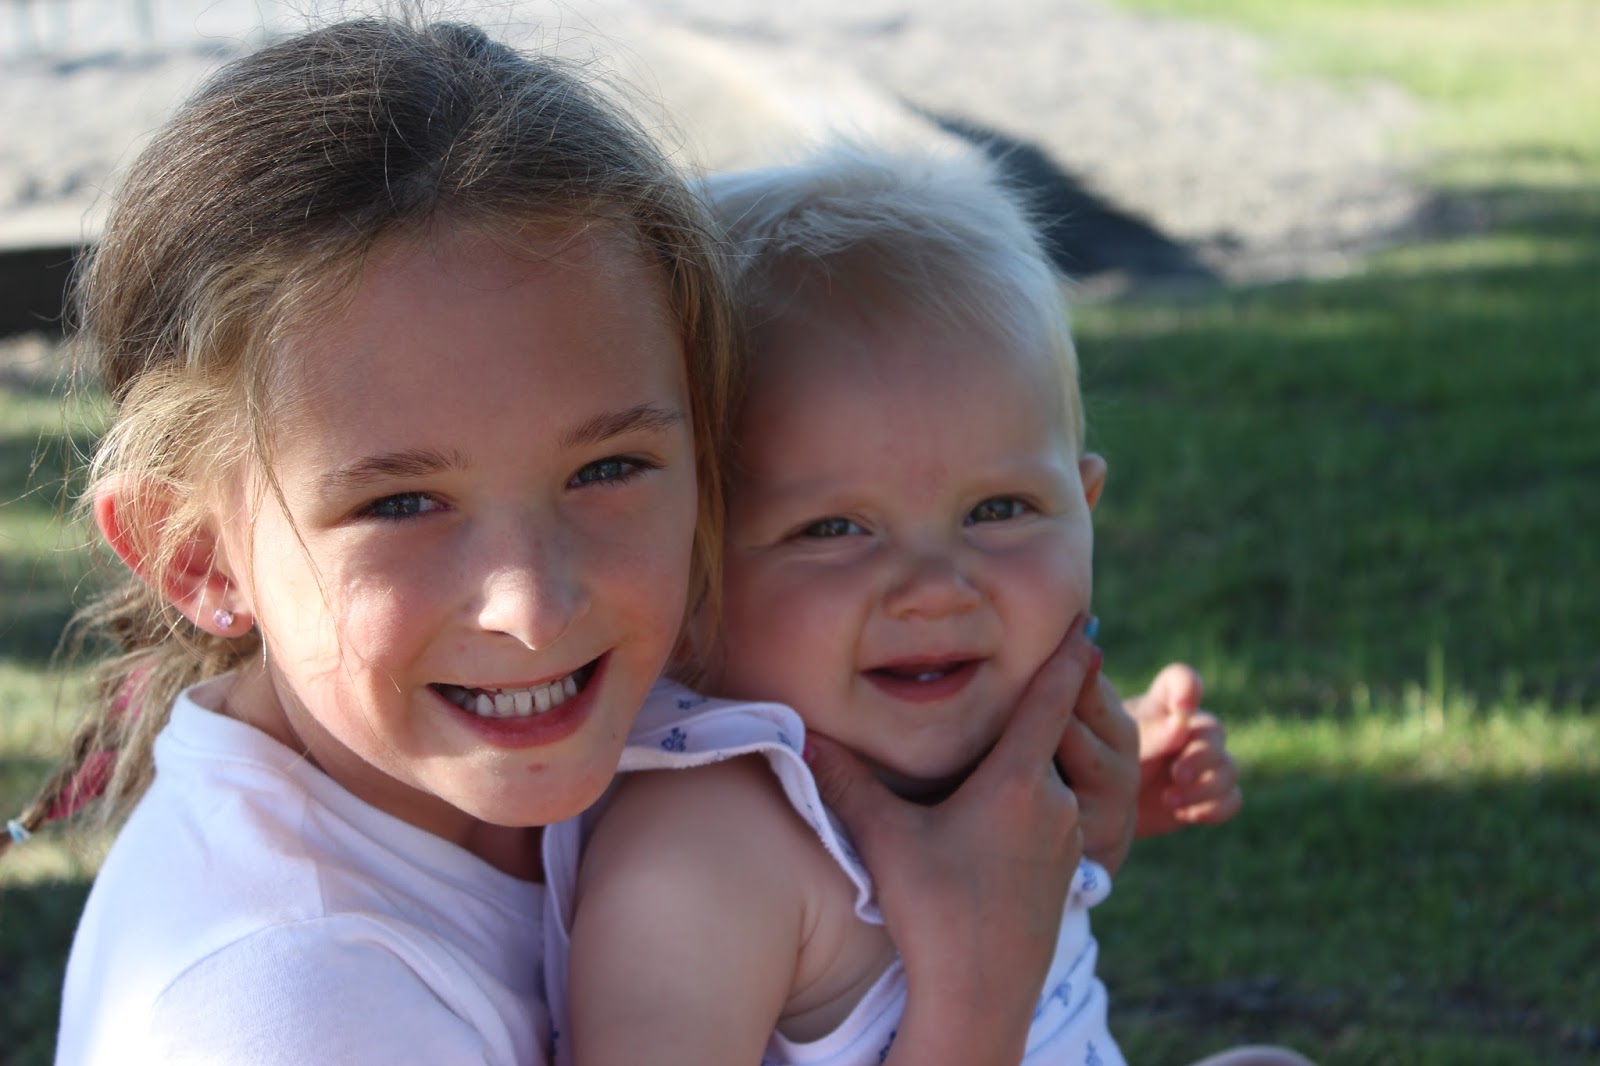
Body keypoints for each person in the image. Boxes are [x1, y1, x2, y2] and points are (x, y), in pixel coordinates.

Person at [3, 20, 1120, 1066]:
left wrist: (1039, 852)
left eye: (606, 470)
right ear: (197, 554)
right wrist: (978, 987)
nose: (534, 606)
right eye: (401, 504)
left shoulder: (538, 747)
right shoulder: (294, 1012)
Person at [550, 146, 1311, 1066]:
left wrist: (1087, 835)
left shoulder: (974, 753)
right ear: (690, 576)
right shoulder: (706, 854)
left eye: (999, 512)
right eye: (833, 529)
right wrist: (971, 999)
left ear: (1086, 511)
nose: (936, 588)